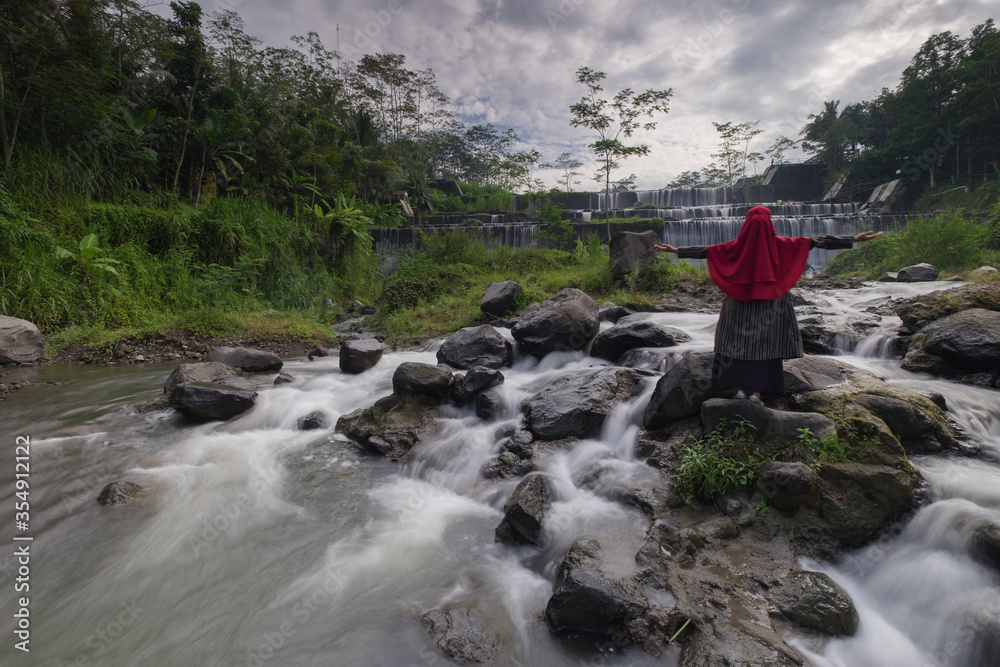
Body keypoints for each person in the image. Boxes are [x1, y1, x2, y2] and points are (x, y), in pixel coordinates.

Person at [654, 206, 882, 404]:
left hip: (738, 302)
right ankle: (757, 394)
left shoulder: (734, 247)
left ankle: (740, 390)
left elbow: (707, 251)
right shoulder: (783, 245)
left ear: (745, 225)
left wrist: (676, 250)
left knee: (735, 343)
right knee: (767, 346)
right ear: (770, 224)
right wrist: (853, 239)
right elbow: (816, 241)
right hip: (772, 303)